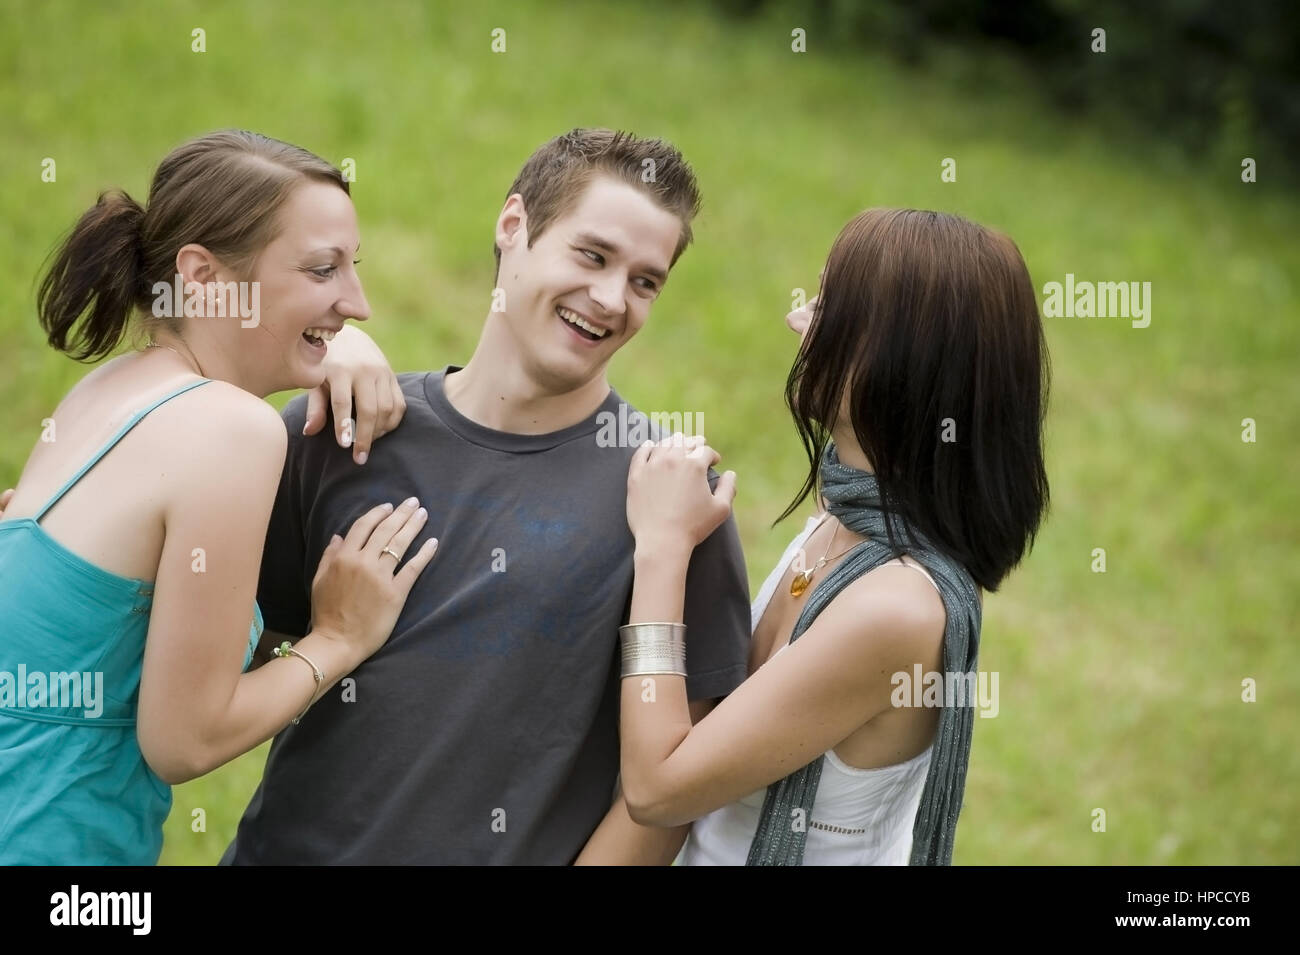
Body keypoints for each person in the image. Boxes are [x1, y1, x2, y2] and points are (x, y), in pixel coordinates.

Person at [221, 128, 753, 865]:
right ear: (514, 227)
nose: (610, 299)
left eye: (644, 281)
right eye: (592, 255)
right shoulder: (336, 429)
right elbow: (213, 670)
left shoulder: (673, 501)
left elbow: (667, 797)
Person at [0, 130, 437, 865]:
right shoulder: (232, 430)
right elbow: (182, 739)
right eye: (323, 269)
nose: (358, 303)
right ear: (202, 274)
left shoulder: (104, 390)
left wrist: (331, 342)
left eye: (351, 269)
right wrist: (338, 637)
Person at [580, 208, 1050, 865]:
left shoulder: (896, 607)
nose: (797, 321)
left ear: (896, 358)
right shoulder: (842, 528)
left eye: (826, 306)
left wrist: (661, 549)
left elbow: (660, 788)